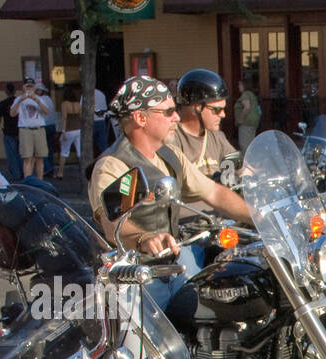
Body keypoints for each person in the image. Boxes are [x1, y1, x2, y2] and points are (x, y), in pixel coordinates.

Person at [89, 76, 252, 330]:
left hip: (175, 264)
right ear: (141, 119)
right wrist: (144, 240)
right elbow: (115, 225)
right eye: (167, 112)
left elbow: (215, 193)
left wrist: (261, 217)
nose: (176, 117)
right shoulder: (116, 165)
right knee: (169, 357)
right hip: (140, 276)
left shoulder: (169, 156)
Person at [166, 68, 239, 180]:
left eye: (224, 109)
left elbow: (239, 166)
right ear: (197, 108)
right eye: (216, 109)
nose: (223, 115)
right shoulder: (172, 138)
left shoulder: (217, 137)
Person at [11, 79, 50, 178]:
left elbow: (46, 112)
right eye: (27, 86)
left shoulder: (40, 99)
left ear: (34, 88)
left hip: (39, 129)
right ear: (23, 87)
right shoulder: (19, 99)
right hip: (25, 130)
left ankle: (40, 181)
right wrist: (20, 100)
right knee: (27, 157)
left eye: (31, 86)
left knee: (40, 157)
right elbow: (12, 113)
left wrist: (36, 100)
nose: (29, 89)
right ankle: (28, 180)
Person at [0, 82, 22, 180]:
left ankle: (16, 175)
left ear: (6, 91)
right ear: (15, 91)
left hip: (9, 132)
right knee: (21, 154)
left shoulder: (3, 104)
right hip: (20, 131)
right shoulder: (19, 102)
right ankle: (23, 172)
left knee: (12, 155)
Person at [55, 86, 82, 180]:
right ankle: (83, 172)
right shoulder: (78, 104)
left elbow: (64, 118)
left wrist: (63, 131)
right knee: (79, 152)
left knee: (64, 152)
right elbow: (80, 117)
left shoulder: (64, 104)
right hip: (78, 129)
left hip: (69, 130)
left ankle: (60, 173)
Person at [36, 83, 57, 176]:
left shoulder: (40, 100)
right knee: (50, 148)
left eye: (37, 90)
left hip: (44, 126)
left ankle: (47, 167)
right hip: (52, 125)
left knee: (42, 148)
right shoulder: (49, 99)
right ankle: (51, 166)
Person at [235, 79, 260, 150]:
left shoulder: (245, 94)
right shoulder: (251, 94)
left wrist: (240, 119)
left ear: (244, 85)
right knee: (251, 144)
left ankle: (246, 160)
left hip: (246, 123)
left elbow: (247, 107)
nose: (238, 87)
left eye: (240, 85)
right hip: (253, 123)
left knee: (244, 144)